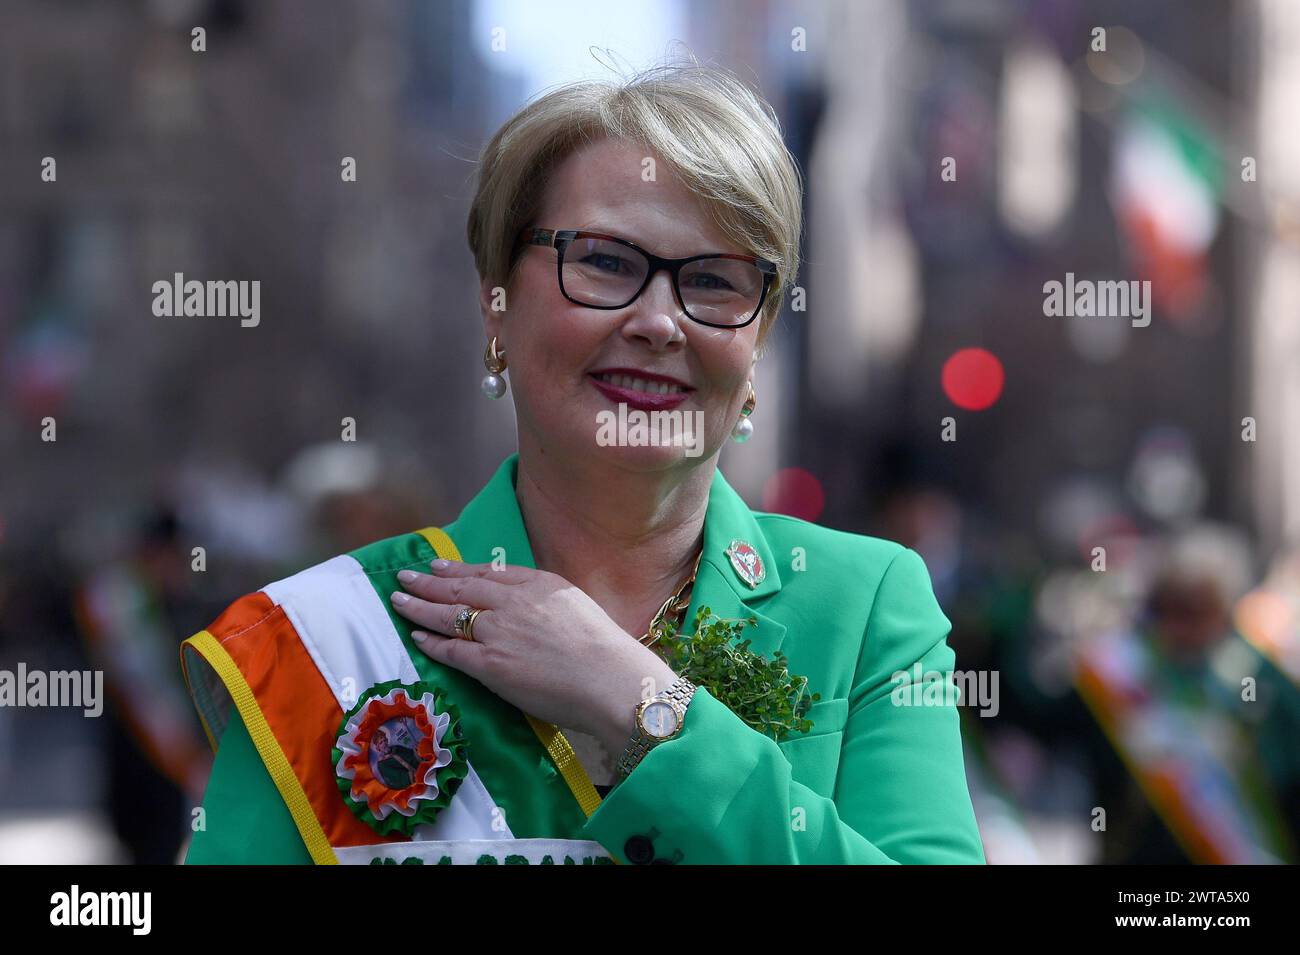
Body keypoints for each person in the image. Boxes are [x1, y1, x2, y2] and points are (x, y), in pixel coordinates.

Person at [180, 61, 985, 865]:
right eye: (605, 261)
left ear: (757, 340)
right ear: (496, 300)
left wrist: (636, 701)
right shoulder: (323, 641)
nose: (661, 322)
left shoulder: (867, 607)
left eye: (713, 280)